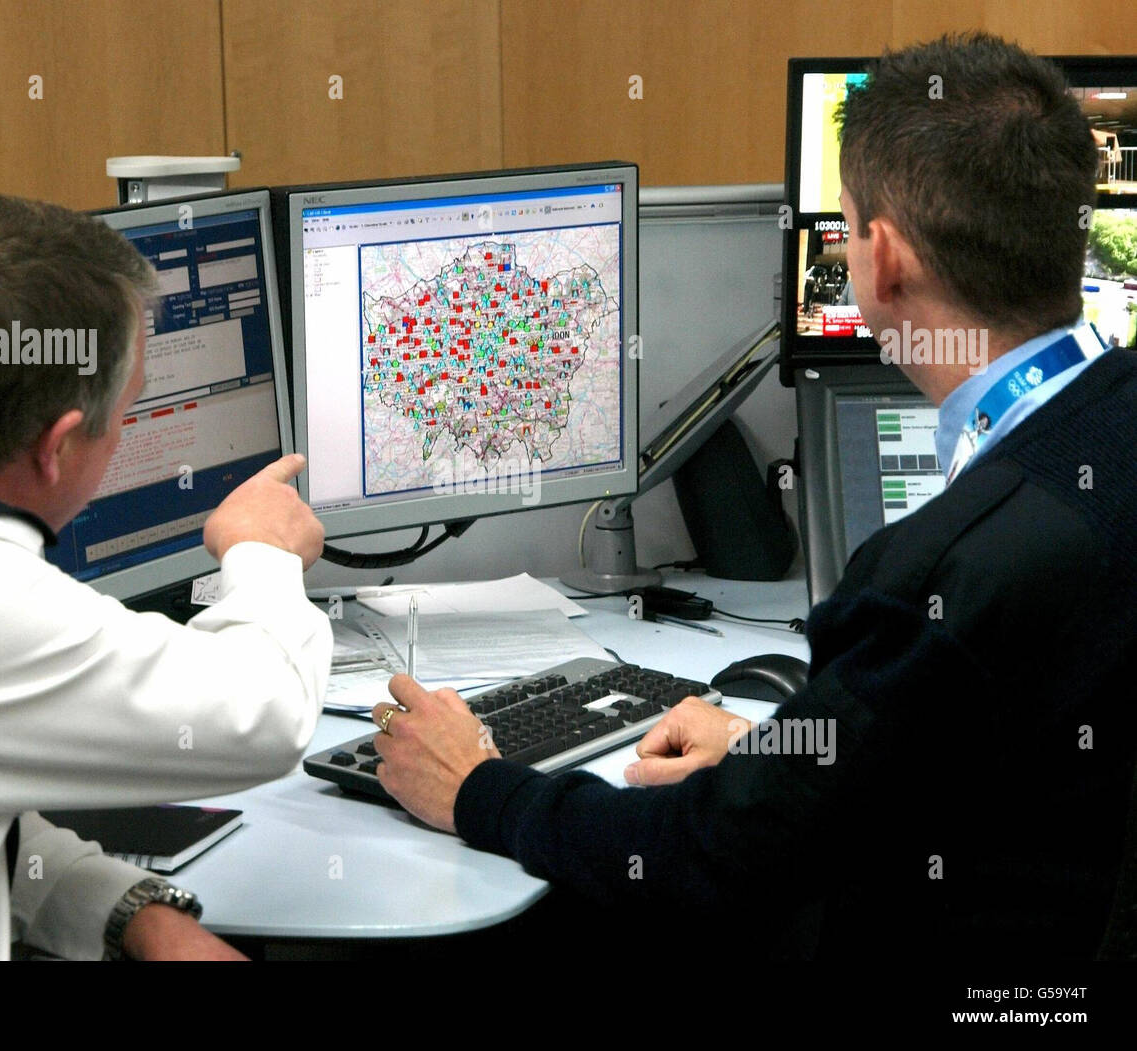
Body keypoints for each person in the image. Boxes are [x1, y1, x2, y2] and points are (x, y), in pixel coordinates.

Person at [370, 33, 1137, 958]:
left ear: (882, 259)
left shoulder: (941, 570)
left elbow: (707, 859)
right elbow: (946, 752)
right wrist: (789, 747)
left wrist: (477, 787)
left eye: (850, 227)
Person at [0, 194, 329, 959]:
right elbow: (265, 713)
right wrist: (260, 550)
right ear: (58, 445)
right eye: (128, 412)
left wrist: (128, 908)